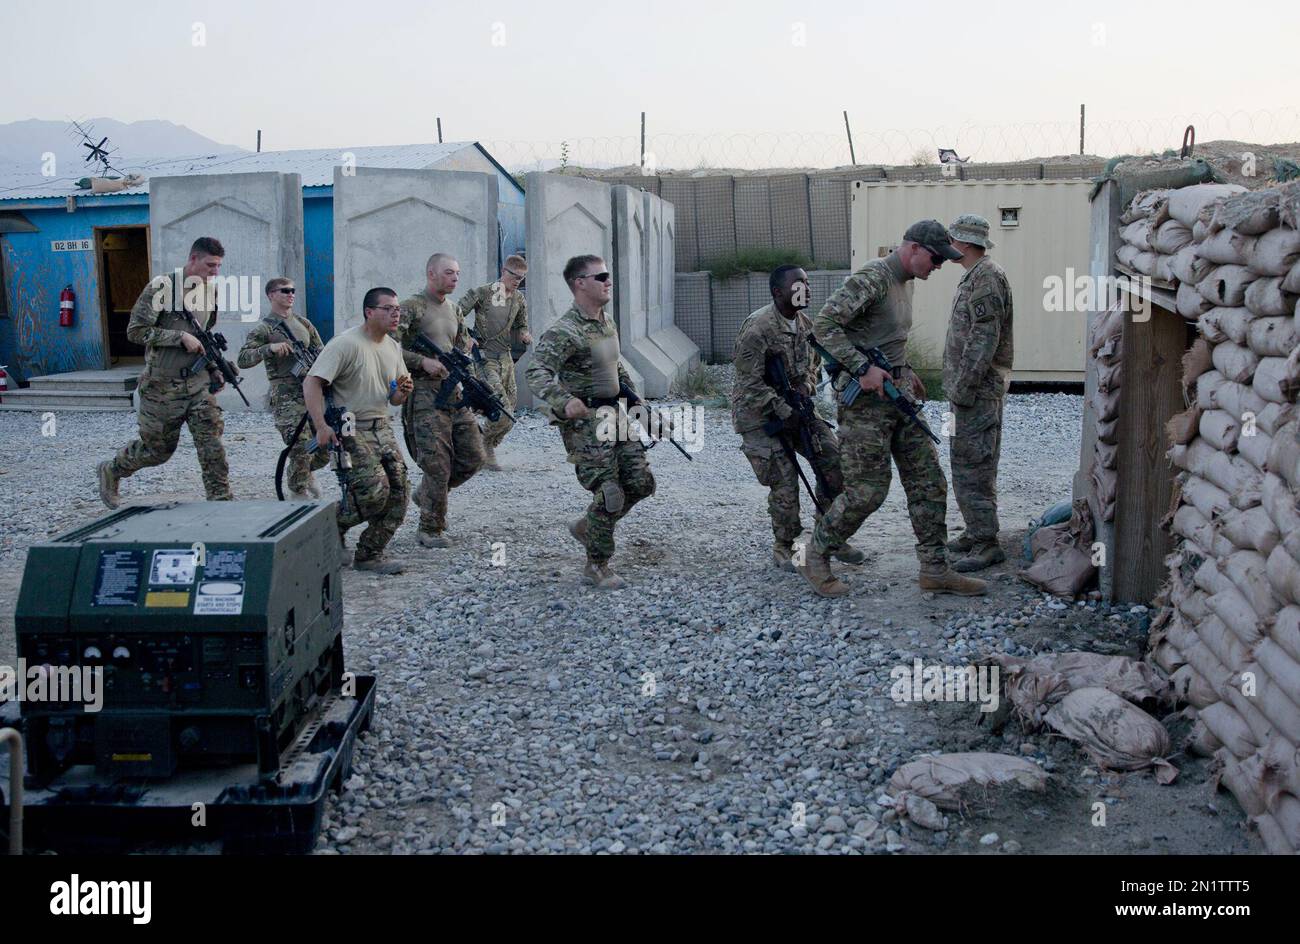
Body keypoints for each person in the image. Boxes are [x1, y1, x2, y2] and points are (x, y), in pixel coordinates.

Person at [803, 220, 987, 598]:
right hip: (865, 405)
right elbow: (823, 326)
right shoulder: (874, 277)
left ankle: (935, 569)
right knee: (867, 491)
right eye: (935, 259)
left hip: (899, 396)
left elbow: (884, 337)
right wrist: (862, 368)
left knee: (928, 481)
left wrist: (905, 369)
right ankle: (815, 554)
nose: (938, 266)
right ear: (914, 248)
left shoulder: (907, 281)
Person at [527, 254, 655, 589]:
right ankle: (596, 565)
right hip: (586, 424)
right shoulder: (564, 331)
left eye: (607, 275)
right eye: (601, 276)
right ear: (580, 283)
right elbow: (536, 371)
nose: (608, 281)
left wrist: (640, 409)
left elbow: (616, 369)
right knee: (610, 493)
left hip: (616, 416)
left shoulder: (606, 322)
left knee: (641, 483)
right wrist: (564, 400)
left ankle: (588, 526)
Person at [732, 264, 866, 571]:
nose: (806, 289)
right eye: (798, 285)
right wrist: (783, 410)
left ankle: (827, 535)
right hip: (759, 416)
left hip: (796, 408)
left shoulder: (806, 325)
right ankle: (785, 545)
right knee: (785, 480)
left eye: (807, 283)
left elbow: (812, 367)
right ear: (778, 292)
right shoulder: (757, 329)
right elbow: (748, 383)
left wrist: (806, 386)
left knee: (835, 461)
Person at [97, 236, 232, 508]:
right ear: (193, 259)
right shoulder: (162, 288)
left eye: (218, 266)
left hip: (197, 384)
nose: (215, 272)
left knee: (212, 446)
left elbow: (203, 337)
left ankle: (221, 504)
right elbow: (135, 332)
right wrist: (178, 337)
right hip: (162, 386)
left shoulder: (210, 291)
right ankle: (112, 469)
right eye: (210, 265)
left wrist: (214, 368)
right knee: (157, 451)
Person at [304, 288, 413, 575]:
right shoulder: (345, 344)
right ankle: (331, 525)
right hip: (350, 428)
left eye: (397, 309)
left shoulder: (392, 347)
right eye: (388, 308)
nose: (395, 314)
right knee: (373, 493)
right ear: (369, 312)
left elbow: (394, 398)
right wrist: (321, 426)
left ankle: (369, 555)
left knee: (400, 495)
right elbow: (312, 382)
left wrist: (402, 392)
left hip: (382, 426)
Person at [397, 253, 485, 548]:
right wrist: (421, 361)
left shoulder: (455, 309)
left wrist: (474, 385)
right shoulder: (411, 307)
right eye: (449, 272)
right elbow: (386, 346)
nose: (455, 278)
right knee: (436, 463)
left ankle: (426, 494)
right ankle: (430, 528)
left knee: (474, 455)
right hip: (423, 392)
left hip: (452, 390)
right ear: (431, 273)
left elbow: (461, 348)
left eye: (457, 273)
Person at [943, 214, 1014, 571]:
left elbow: (983, 340)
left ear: (966, 244)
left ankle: (987, 542)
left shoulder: (986, 278)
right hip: (964, 394)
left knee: (976, 466)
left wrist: (963, 388)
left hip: (975, 394)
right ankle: (975, 531)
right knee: (963, 462)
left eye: (952, 240)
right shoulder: (973, 275)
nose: (948, 246)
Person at [237, 277, 328, 499]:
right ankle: (297, 491)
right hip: (286, 396)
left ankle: (303, 472)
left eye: (293, 290)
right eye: (285, 290)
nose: (290, 294)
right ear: (271, 295)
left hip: (311, 391)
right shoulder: (265, 328)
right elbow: (243, 359)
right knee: (299, 444)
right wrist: (269, 348)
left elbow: (323, 352)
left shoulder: (304, 323)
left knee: (324, 445)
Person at [456, 254, 532, 470]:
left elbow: (521, 323)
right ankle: (479, 445)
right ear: (503, 271)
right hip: (485, 358)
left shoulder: (518, 299)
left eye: (521, 278)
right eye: (514, 276)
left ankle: (485, 445)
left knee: (511, 413)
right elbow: (456, 313)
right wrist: (465, 336)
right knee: (502, 411)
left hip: (505, 359)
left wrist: (524, 333)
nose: (517, 281)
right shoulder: (482, 293)